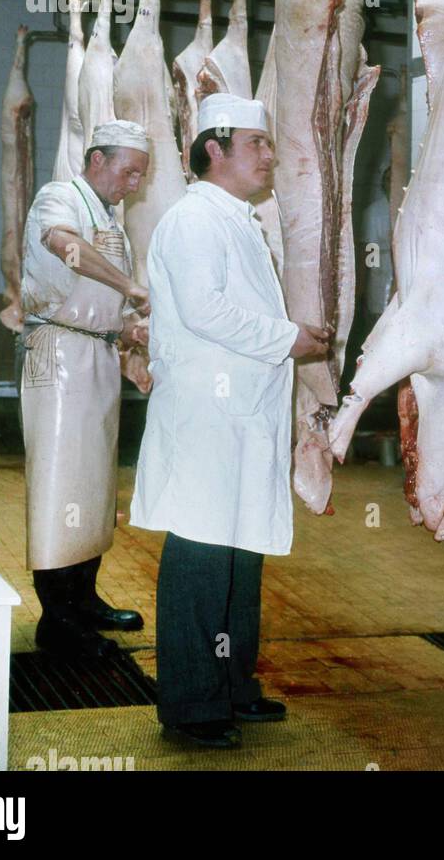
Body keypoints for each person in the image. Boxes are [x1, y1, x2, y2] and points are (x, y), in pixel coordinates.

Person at [130, 93, 330, 749]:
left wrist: (288, 341)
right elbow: (204, 311)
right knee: (201, 559)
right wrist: (289, 339)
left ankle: (232, 686)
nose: (270, 155)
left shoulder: (242, 220)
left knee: (241, 558)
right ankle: (191, 705)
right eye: (257, 144)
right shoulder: (193, 220)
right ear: (214, 149)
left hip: (242, 418)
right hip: (206, 418)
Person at [20, 121, 152, 656]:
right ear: (97, 159)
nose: (134, 184)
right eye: (128, 171)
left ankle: (84, 599)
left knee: (93, 486)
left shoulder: (109, 216)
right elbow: (64, 250)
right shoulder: (60, 197)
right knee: (60, 486)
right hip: (59, 354)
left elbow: (95, 303)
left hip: (95, 353)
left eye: (141, 175)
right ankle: (56, 620)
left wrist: (129, 329)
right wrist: (129, 286)